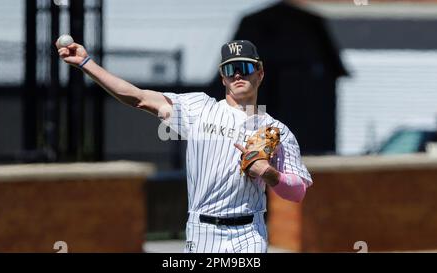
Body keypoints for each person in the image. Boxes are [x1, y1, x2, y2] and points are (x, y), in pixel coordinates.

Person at [56, 39, 312, 253]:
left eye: (245, 67)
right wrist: (87, 64)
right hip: (203, 232)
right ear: (222, 77)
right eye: (229, 68)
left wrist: (269, 174)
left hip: (249, 233)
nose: (237, 74)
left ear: (260, 72)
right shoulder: (199, 109)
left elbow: (298, 192)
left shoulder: (276, 131)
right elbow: (139, 97)